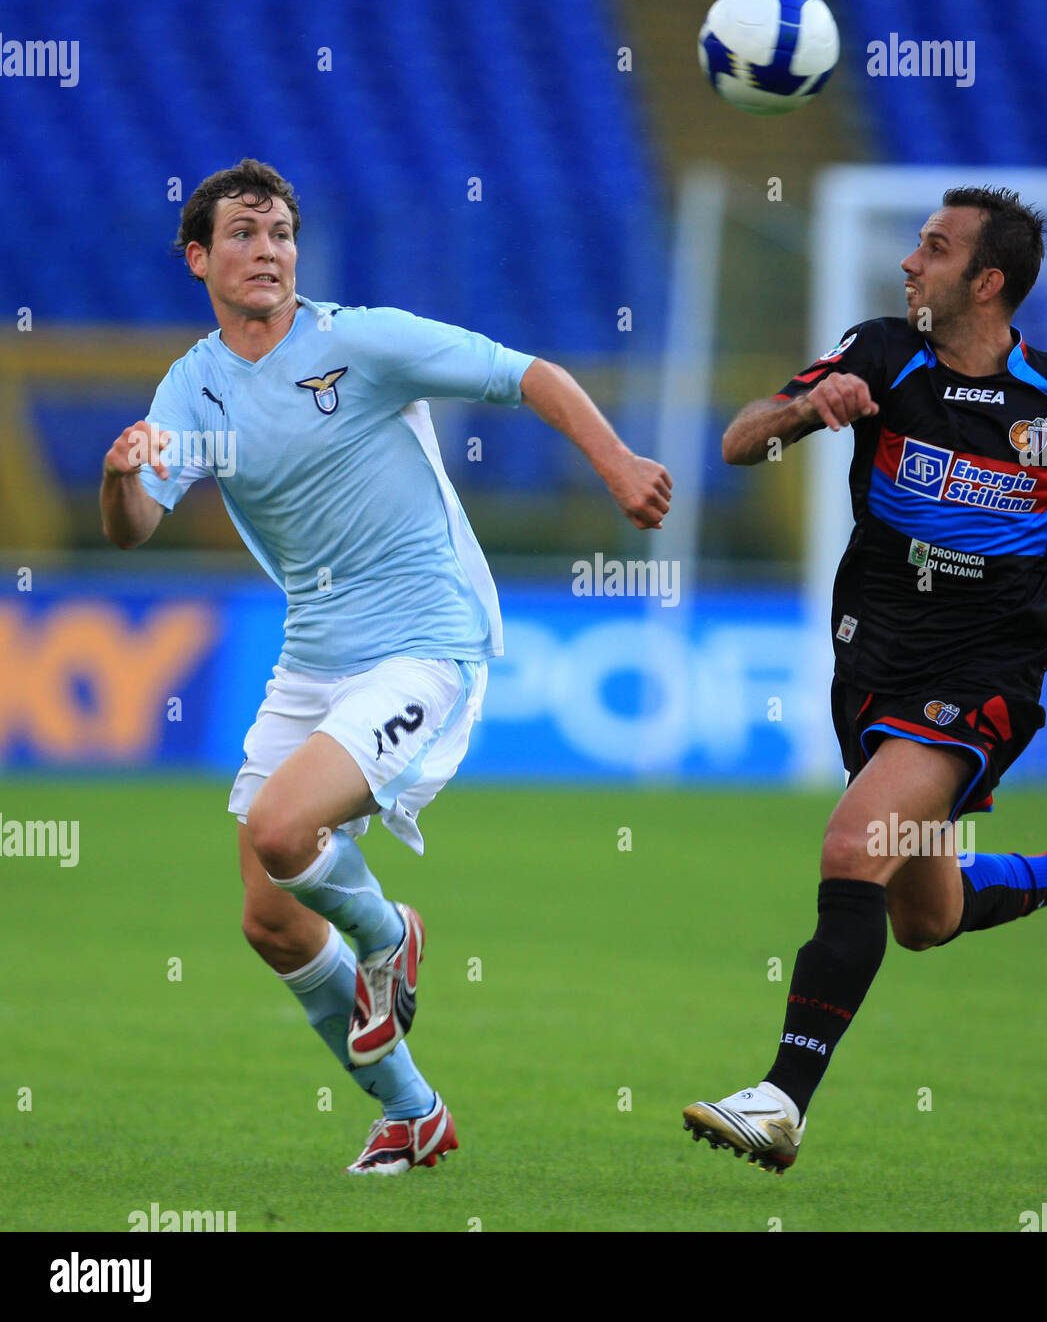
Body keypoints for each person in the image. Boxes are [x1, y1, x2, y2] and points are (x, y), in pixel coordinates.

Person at [100, 158, 671, 1174]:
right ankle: (412, 1114)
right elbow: (137, 525)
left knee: (285, 828)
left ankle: (387, 934)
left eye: (279, 231)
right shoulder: (192, 385)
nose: (266, 248)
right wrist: (120, 476)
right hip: (312, 656)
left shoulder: (357, 341)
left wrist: (618, 462)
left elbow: (526, 372)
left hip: (423, 641)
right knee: (270, 920)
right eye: (241, 233)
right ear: (198, 259)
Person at [683, 185, 1047, 1173]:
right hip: (874, 662)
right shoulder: (883, 354)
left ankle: (782, 1101)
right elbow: (739, 440)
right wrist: (806, 410)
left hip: (988, 668)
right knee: (923, 916)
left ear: (987, 280)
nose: (910, 262)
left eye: (934, 248)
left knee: (852, 842)